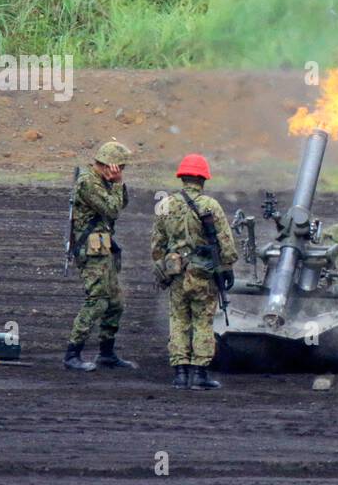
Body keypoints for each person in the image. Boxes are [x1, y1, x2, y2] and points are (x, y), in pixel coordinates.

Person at [150, 154, 239, 390]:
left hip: (177, 273)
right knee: (202, 321)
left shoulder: (166, 204)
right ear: (203, 179)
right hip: (203, 275)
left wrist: (165, 267)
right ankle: (200, 374)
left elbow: (157, 245)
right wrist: (227, 266)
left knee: (178, 320)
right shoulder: (210, 206)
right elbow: (225, 243)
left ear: (182, 177)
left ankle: (180, 373)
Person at [64, 141, 137, 372]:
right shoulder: (87, 183)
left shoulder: (103, 182)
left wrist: (116, 184)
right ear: (108, 165)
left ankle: (106, 353)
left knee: (116, 301)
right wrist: (116, 184)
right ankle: (72, 354)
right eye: (119, 167)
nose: (121, 172)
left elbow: (121, 204)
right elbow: (112, 210)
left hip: (103, 249)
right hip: (91, 251)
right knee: (97, 301)